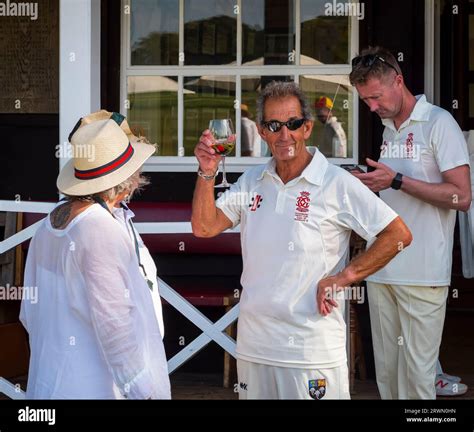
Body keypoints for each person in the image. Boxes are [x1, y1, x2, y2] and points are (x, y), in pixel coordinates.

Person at [191, 80, 412, 399]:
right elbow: (204, 227)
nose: (284, 135)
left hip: (311, 352)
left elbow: (398, 234)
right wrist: (207, 171)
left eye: (293, 124)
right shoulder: (253, 180)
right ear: (262, 131)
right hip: (256, 348)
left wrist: (344, 277)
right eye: (274, 125)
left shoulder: (335, 182)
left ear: (307, 127)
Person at [20, 112, 171, 399]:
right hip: (94, 389)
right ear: (126, 179)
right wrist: (145, 394)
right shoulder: (100, 229)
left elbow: (29, 314)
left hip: (52, 385)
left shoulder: (49, 224)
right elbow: (116, 327)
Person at [349, 46, 471, 399]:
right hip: (381, 267)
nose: (371, 107)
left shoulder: (439, 122)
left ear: (398, 81)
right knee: (388, 380)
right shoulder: (389, 130)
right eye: (364, 100)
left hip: (423, 273)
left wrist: (397, 180)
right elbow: (394, 191)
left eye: (375, 97)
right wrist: (369, 184)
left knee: (418, 383)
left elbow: (461, 197)